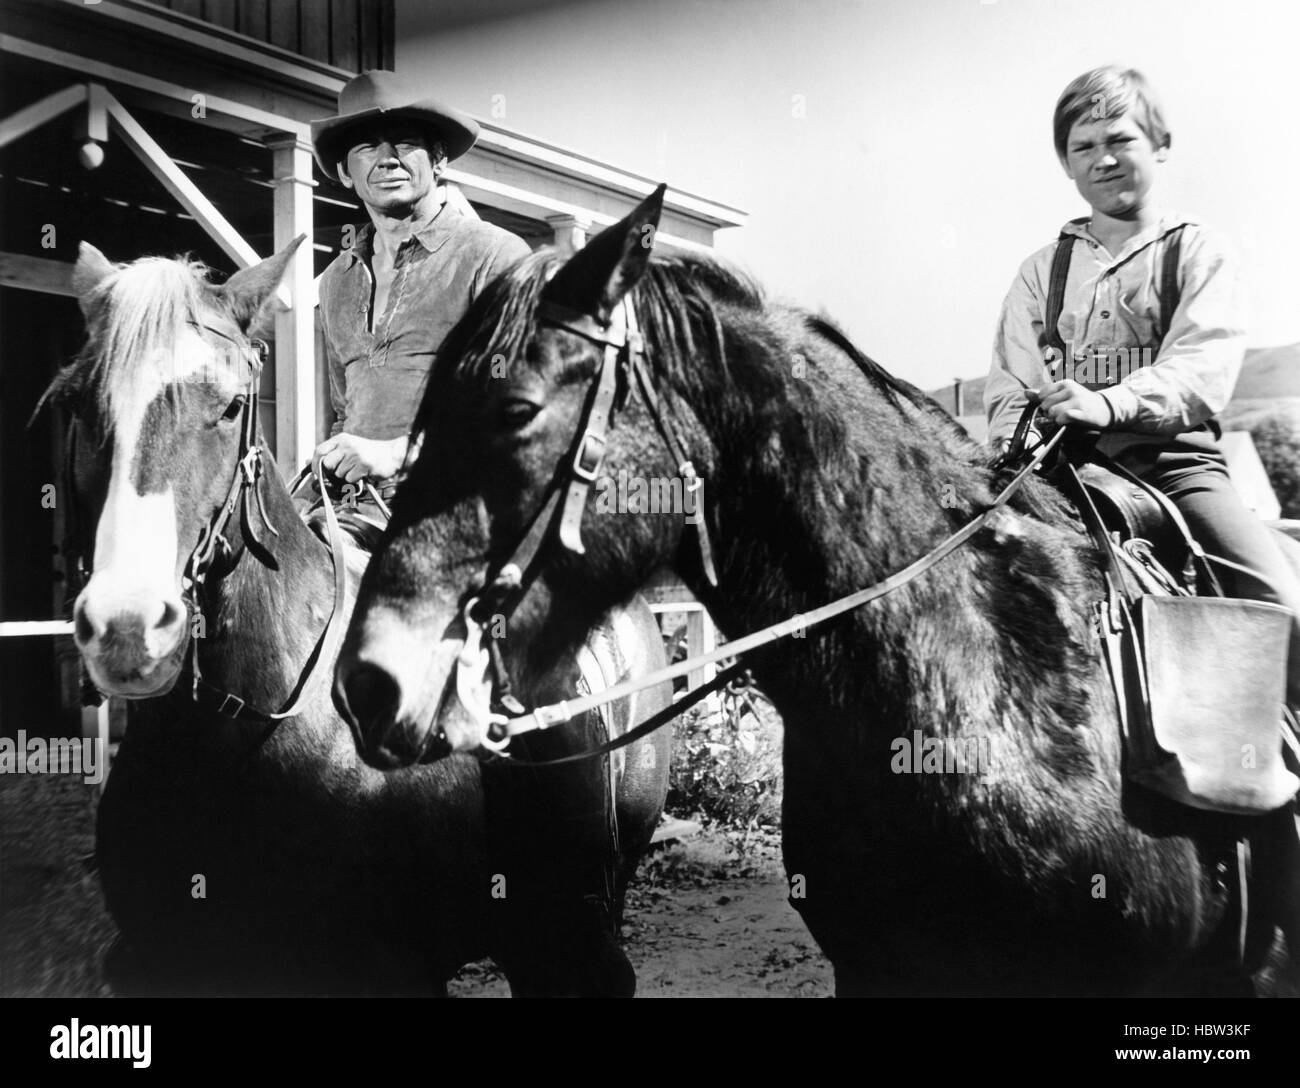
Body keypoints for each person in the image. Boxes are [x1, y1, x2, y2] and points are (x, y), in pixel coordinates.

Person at [984, 65, 1300, 710]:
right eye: (1084, 147)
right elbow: (1010, 384)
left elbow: (1203, 365)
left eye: (1120, 140)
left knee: (1276, 604)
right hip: (1062, 474)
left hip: (1174, 468)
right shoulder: (1040, 271)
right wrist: (1014, 448)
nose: (1104, 159)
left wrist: (1108, 402)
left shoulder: (1197, 250)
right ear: (1066, 164)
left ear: (1160, 144)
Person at [309, 69, 529, 540]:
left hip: (465, 511)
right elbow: (345, 411)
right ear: (346, 172)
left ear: (439, 159)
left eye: (405, 142)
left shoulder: (493, 255)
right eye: (367, 146)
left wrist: (399, 452)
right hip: (358, 512)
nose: (387, 158)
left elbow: (518, 407)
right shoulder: (335, 283)